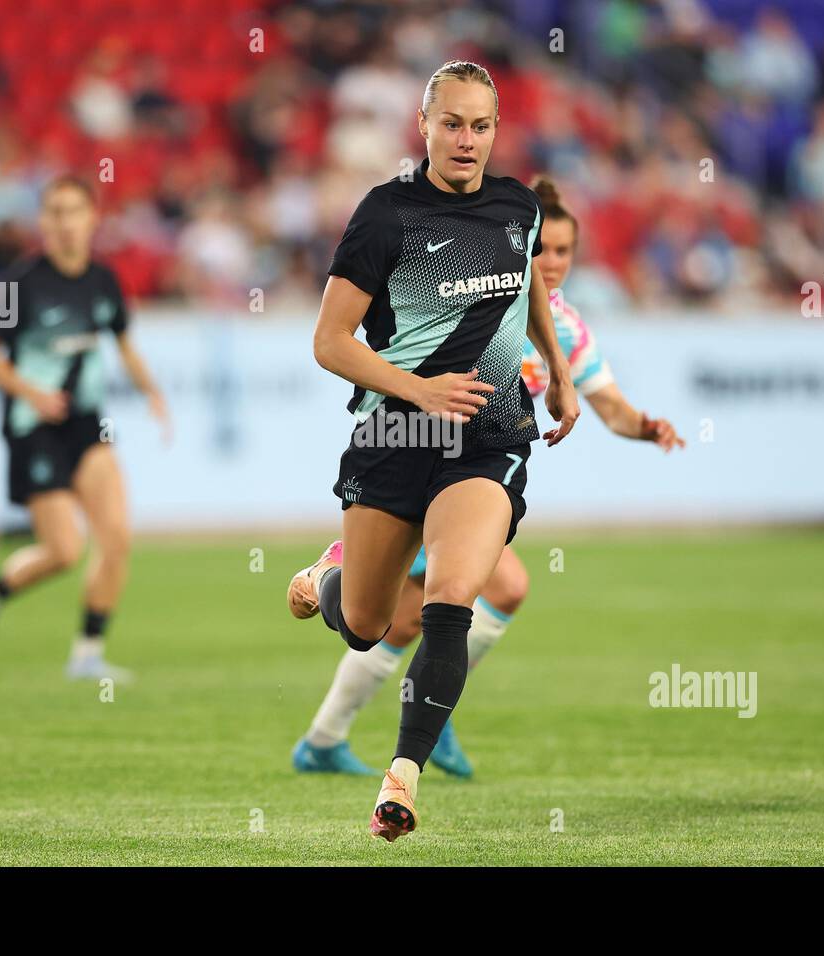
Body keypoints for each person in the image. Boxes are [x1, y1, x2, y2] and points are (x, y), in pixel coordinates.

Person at [292, 176, 685, 779]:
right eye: (542, 249)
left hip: (478, 463)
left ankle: (369, 730)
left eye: (563, 252)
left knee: (449, 605)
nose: (549, 262)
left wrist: (646, 426)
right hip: (410, 445)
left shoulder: (569, 329)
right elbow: (344, 338)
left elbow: (609, 406)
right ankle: (376, 701)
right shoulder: (474, 287)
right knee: (392, 618)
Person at [286, 61, 580, 841]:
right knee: (366, 623)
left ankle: (402, 779)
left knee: (451, 605)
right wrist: (417, 391)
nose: (466, 139)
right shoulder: (386, 215)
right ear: (424, 125)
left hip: (488, 438)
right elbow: (328, 342)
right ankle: (333, 572)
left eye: (481, 125)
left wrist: (559, 376)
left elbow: (532, 287)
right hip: (395, 432)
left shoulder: (518, 206)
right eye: (452, 123)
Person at [0, 175, 169, 682]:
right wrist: (32, 392)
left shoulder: (102, 279)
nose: (64, 222)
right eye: (54, 212)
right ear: (43, 222)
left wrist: (154, 395)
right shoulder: (20, 283)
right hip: (33, 427)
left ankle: (87, 655)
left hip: (85, 426)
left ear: (92, 218)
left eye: (74, 211)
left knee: (116, 537)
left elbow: (123, 343)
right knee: (64, 552)